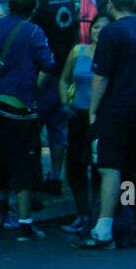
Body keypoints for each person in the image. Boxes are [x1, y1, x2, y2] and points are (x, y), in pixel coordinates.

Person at [73, 0, 136, 249]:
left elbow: (101, 76)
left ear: (110, 5)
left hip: (116, 108)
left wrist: (93, 110)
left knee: (110, 168)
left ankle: (103, 230)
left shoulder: (111, 33)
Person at [0, 0, 55, 242]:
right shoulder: (33, 32)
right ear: (33, 8)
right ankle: (24, 222)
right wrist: (33, 90)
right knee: (24, 167)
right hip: (21, 109)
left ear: (10, 4)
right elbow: (48, 64)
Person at [31, 0, 77, 194]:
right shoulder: (67, 1)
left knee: (34, 129)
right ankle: (57, 176)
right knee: (58, 129)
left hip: (43, 74)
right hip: (65, 74)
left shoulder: (38, 4)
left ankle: (36, 177)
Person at [59, 13, 108, 236]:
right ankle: (82, 214)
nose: (99, 31)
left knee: (99, 167)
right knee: (75, 166)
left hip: (100, 117)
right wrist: (64, 104)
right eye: (96, 27)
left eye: (104, 28)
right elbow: (64, 79)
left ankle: (98, 216)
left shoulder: (112, 53)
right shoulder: (77, 51)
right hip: (77, 115)